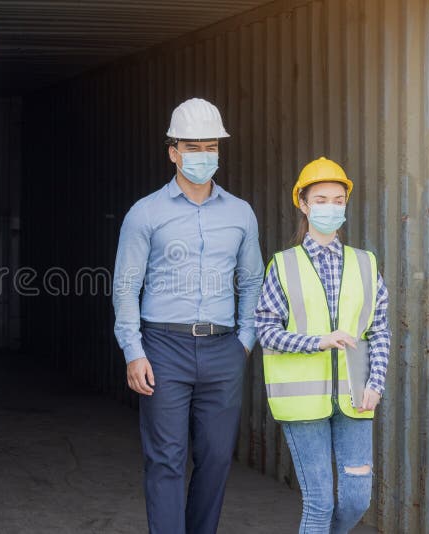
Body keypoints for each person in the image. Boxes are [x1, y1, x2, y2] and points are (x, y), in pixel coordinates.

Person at [112, 98, 264, 534]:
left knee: (216, 458)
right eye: (192, 147)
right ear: (173, 152)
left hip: (223, 349)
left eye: (210, 146)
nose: (202, 155)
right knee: (167, 459)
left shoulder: (241, 214)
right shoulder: (146, 213)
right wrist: (133, 351)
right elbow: (126, 286)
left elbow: (252, 281)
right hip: (163, 348)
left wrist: (245, 341)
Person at [256, 157, 391, 534]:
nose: (330, 207)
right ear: (303, 204)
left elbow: (379, 331)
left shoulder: (366, 263)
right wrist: (317, 342)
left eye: (337, 200)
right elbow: (265, 329)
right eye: (320, 199)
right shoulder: (282, 265)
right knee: (319, 503)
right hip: (302, 404)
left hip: (355, 398)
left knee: (356, 499)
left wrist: (376, 382)